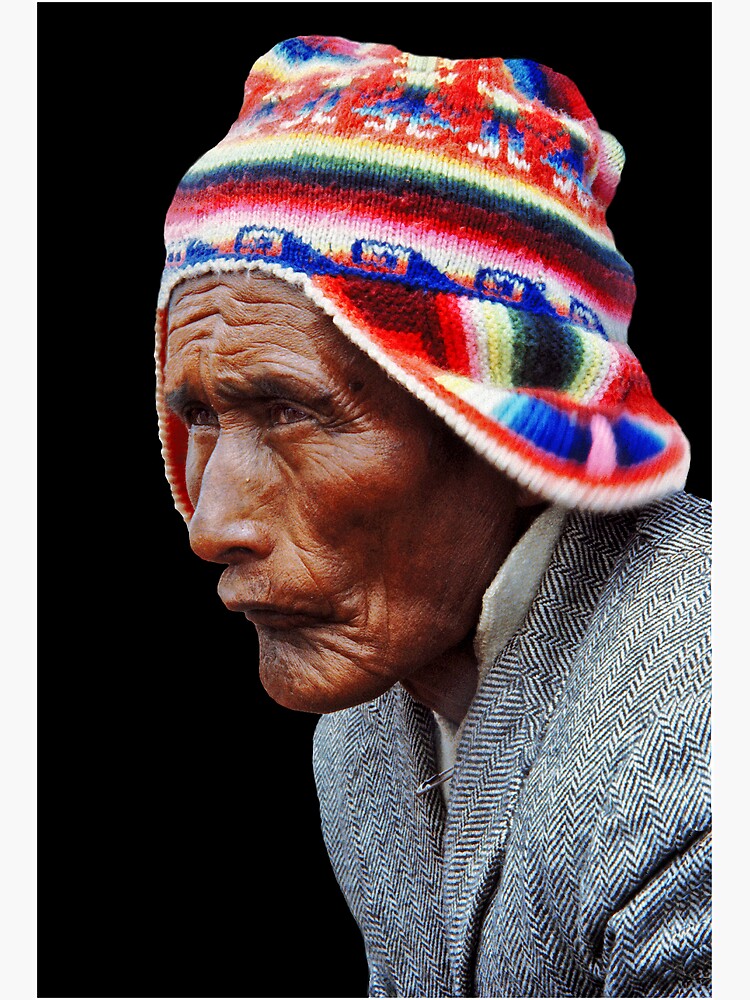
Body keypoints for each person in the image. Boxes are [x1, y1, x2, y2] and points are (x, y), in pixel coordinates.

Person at [155, 36, 710, 997]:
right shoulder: (365, 729)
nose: (211, 526)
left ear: (522, 431)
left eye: (290, 409)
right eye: (198, 414)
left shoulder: (705, 735)